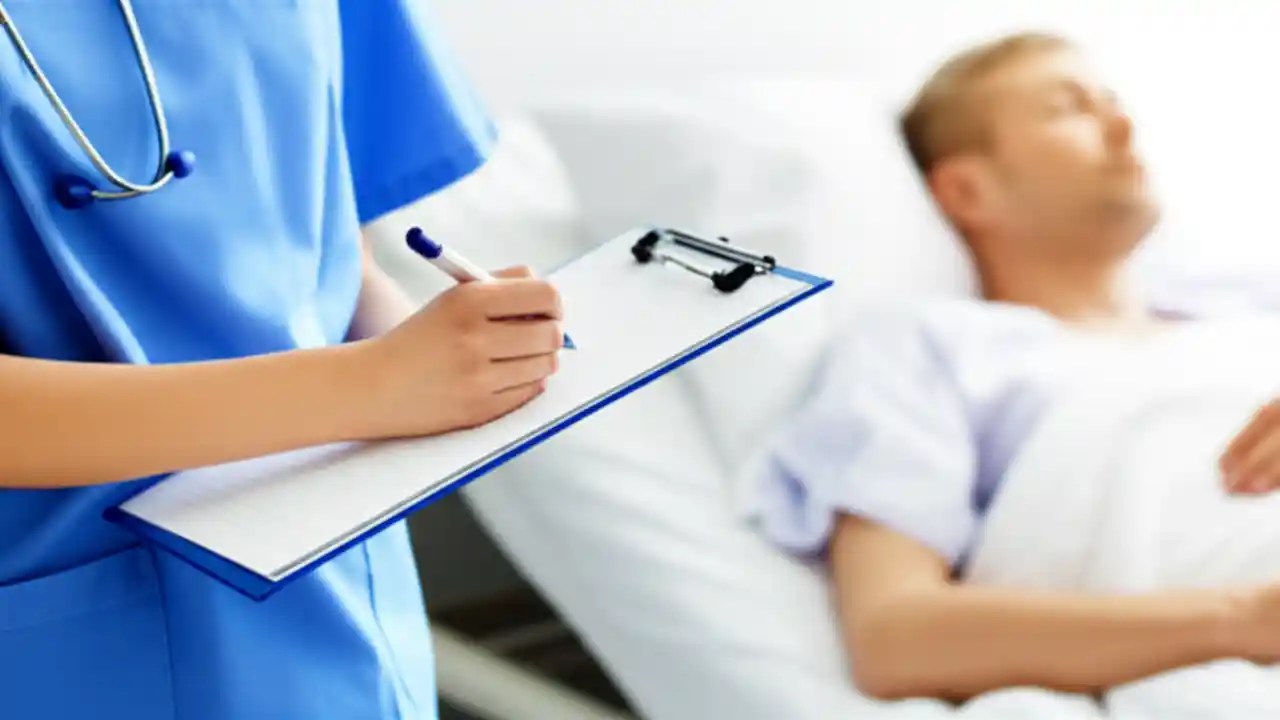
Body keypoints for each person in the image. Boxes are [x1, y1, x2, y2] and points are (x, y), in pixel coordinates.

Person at [0, 1, 564, 718]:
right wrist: (379, 385)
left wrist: (468, 363)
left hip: (338, 596)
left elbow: (326, 234)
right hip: (66, 647)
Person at [748, 31, 1280, 702]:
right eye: (1069, 109)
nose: (1123, 123)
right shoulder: (929, 348)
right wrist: (1249, 619)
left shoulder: (1246, 307)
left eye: (1112, 100)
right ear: (968, 190)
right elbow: (896, 637)